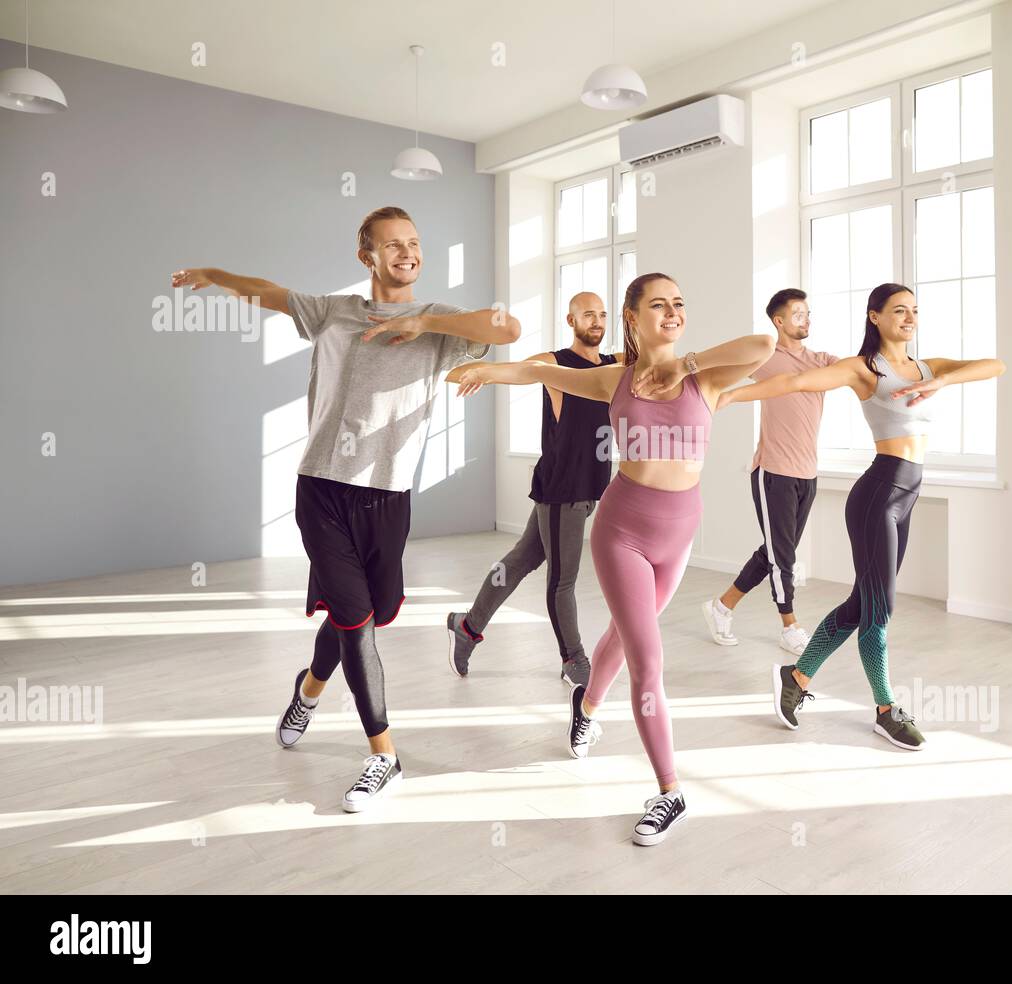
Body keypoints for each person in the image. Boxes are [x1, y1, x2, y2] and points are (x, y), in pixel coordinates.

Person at [171, 205, 520, 811]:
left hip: (388, 497)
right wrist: (216, 273)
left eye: (414, 243)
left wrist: (420, 325)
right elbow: (271, 294)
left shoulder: (439, 321)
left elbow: (506, 327)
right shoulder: (335, 312)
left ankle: (308, 690)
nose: (407, 253)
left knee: (355, 612)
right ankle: (384, 756)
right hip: (322, 487)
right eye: (393, 245)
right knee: (356, 620)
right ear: (367, 257)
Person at [454, 273, 775, 844]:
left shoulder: (708, 378)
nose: (673, 312)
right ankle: (669, 790)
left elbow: (764, 345)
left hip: (680, 532)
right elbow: (538, 371)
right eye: (659, 305)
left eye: (679, 303)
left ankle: (587, 704)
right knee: (648, 657)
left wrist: (688, 363)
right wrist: (488, 370)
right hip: (621, 529)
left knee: (624, 641)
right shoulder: (614, 381)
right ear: (632, 318)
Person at [718, 283, 1004, 748]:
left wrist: (941, 380)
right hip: (877, 494)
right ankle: (886, 708)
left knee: (862, 603)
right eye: (898, 310)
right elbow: (792, 382)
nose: (909, 318)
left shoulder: (924, 367)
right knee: (880, 609)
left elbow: (996, 365)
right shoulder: (863, 369)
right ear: (875, 316)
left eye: (914, 310)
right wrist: (731, 396)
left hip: (906, 494)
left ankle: (798, 675)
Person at [444, 292, 621, 685]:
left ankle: (468, 626)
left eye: (602, 314)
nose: (597, 321)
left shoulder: (613, 365)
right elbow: (513, 370)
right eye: (587, 314)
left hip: (591, 488)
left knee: (521, 560)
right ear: (570, 320)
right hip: (562, 490)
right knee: (563, 580)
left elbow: (657, 362)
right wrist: (477, 372)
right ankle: (573, 658)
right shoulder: (554, 363)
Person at [700, 287, 836, 657]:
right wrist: (696, 368)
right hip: (773, 471)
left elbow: (863, 372)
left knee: (776, 551)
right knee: (784, 556)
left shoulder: (822, 361)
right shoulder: (766, 359)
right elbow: (725, 364)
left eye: (808, 313)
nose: (806, 318)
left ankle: (722, 606)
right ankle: (789, 625)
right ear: (778, 321)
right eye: (797, 313)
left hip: (808, 473)